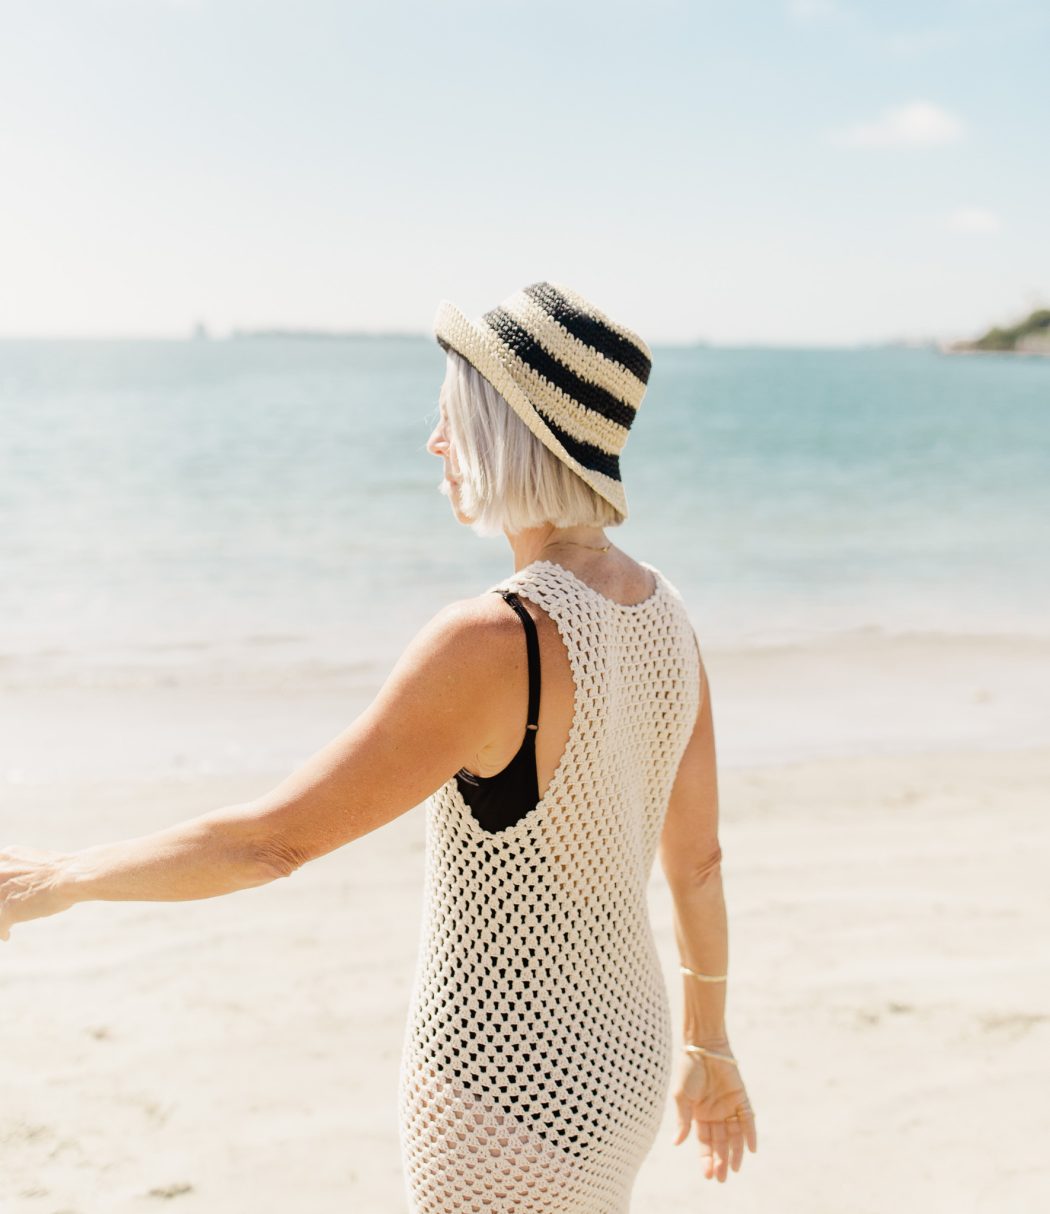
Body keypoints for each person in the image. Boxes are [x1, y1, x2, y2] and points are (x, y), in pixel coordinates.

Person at [0, 280, 756, 1211]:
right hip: (627, 1062)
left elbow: (270, 843)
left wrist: (55, 880)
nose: (436, 443)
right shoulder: (666, 614)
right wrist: (708, 1044)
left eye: (452, 419)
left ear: (509, 436)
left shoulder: (493, 638)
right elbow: (702, 865)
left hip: (500, 1090)